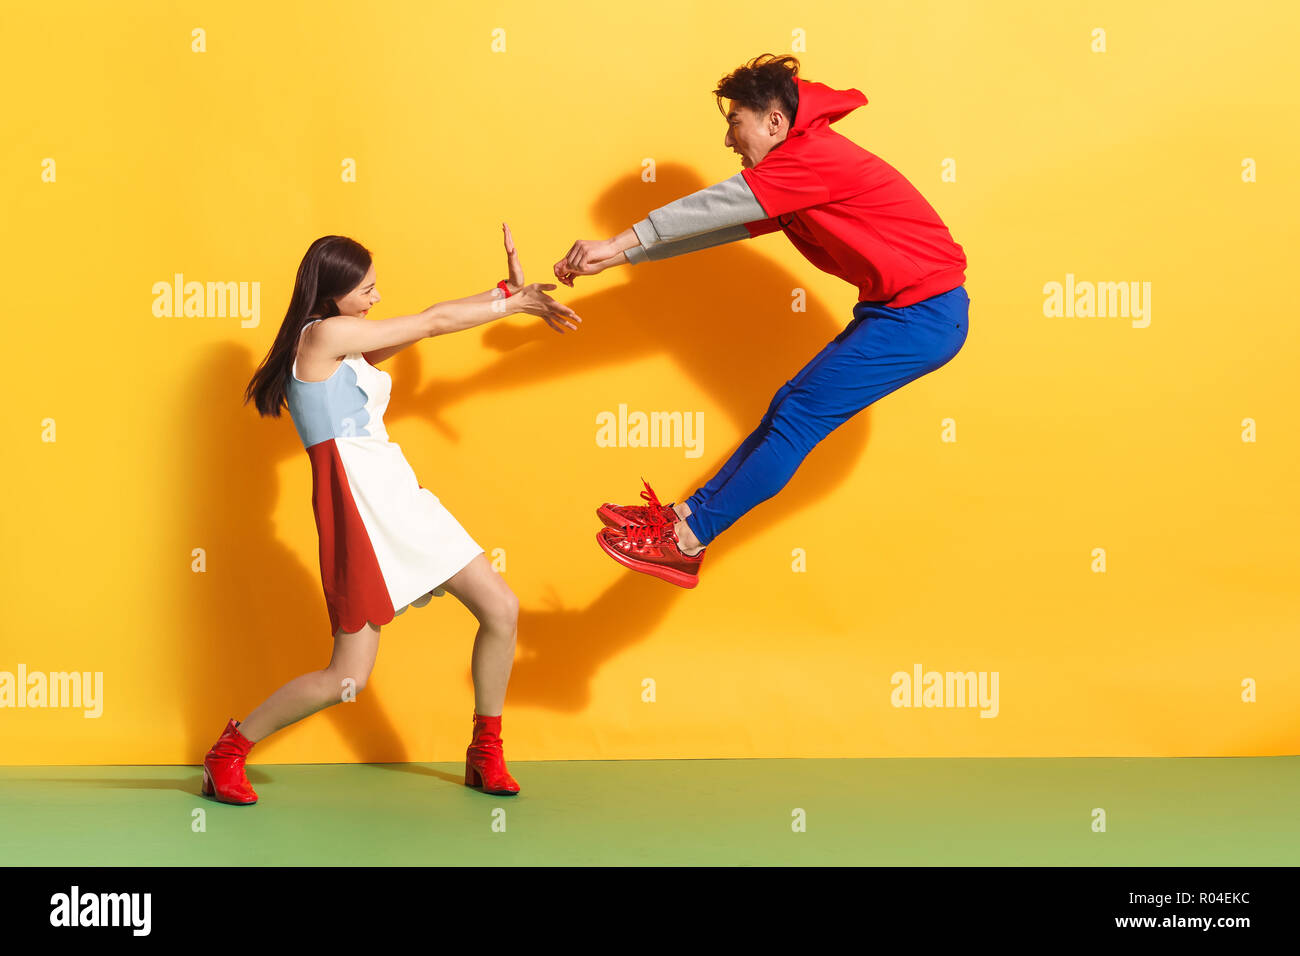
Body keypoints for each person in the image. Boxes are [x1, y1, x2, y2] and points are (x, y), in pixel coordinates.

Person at [554, 54, 970, 589]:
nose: (729, 141)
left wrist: (614, 241)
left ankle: (685, 542)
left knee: (797, 416)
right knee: (788, 406)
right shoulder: (795, 171)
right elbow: (717, 227)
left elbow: (711, 205)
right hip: (903, 313)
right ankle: (681, 522)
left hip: (923, 315)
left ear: (775, 122)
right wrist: (614, 259)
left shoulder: (810, 158)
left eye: (735, 123)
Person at [202, 227, 581, 804]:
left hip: (401, 494)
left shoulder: (349, 340)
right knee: (348, 678)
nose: (377, 298)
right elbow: (429, 325)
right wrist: (513, 306)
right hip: (358, 506)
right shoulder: (325, 336)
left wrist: (503, 291)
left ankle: (486, 750)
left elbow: (430, 315)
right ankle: (227, 751)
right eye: (367, 289)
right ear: (333, 294)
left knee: (501, 607)